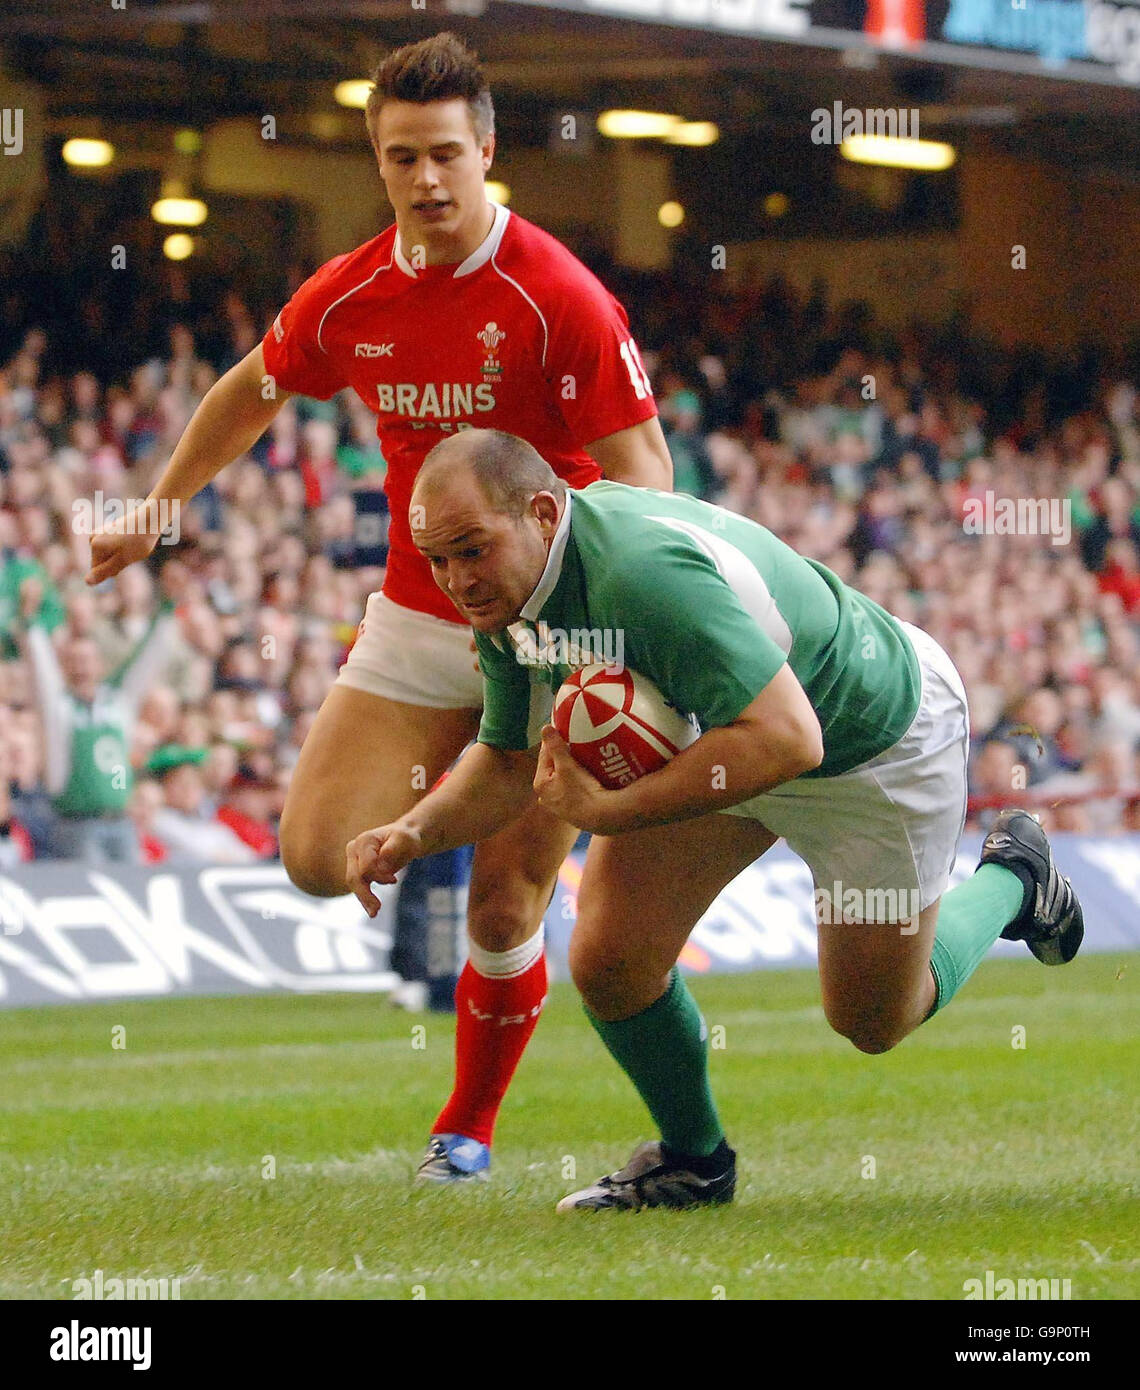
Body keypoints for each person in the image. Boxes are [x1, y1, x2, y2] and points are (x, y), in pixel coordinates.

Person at [84, 32, 671, 1182]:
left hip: (557, 632)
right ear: (378, 160)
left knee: (504, 906)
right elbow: (252, 389)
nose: (426, 179)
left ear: (488, 150)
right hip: (417, 619)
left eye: (447, 152)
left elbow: (647, 474)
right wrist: (159, 506)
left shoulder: (557, 294)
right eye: (402, 157)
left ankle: (468, 1128)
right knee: (313, 853)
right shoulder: (349, 293)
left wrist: (633, 640)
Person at [346, 429, 1086, 1211]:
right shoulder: (512, 591)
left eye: (470, 550)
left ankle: (1015, 876)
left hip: (871, 743)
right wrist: (416, 831)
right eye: (437, 559)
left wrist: (612, 811)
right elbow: (503, 759)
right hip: (734, 730)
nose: (457, 581)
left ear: (539, 511)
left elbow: (791, 738)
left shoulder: (639, 573)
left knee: (873, 1020)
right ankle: (694, 1163)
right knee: (610, 959)